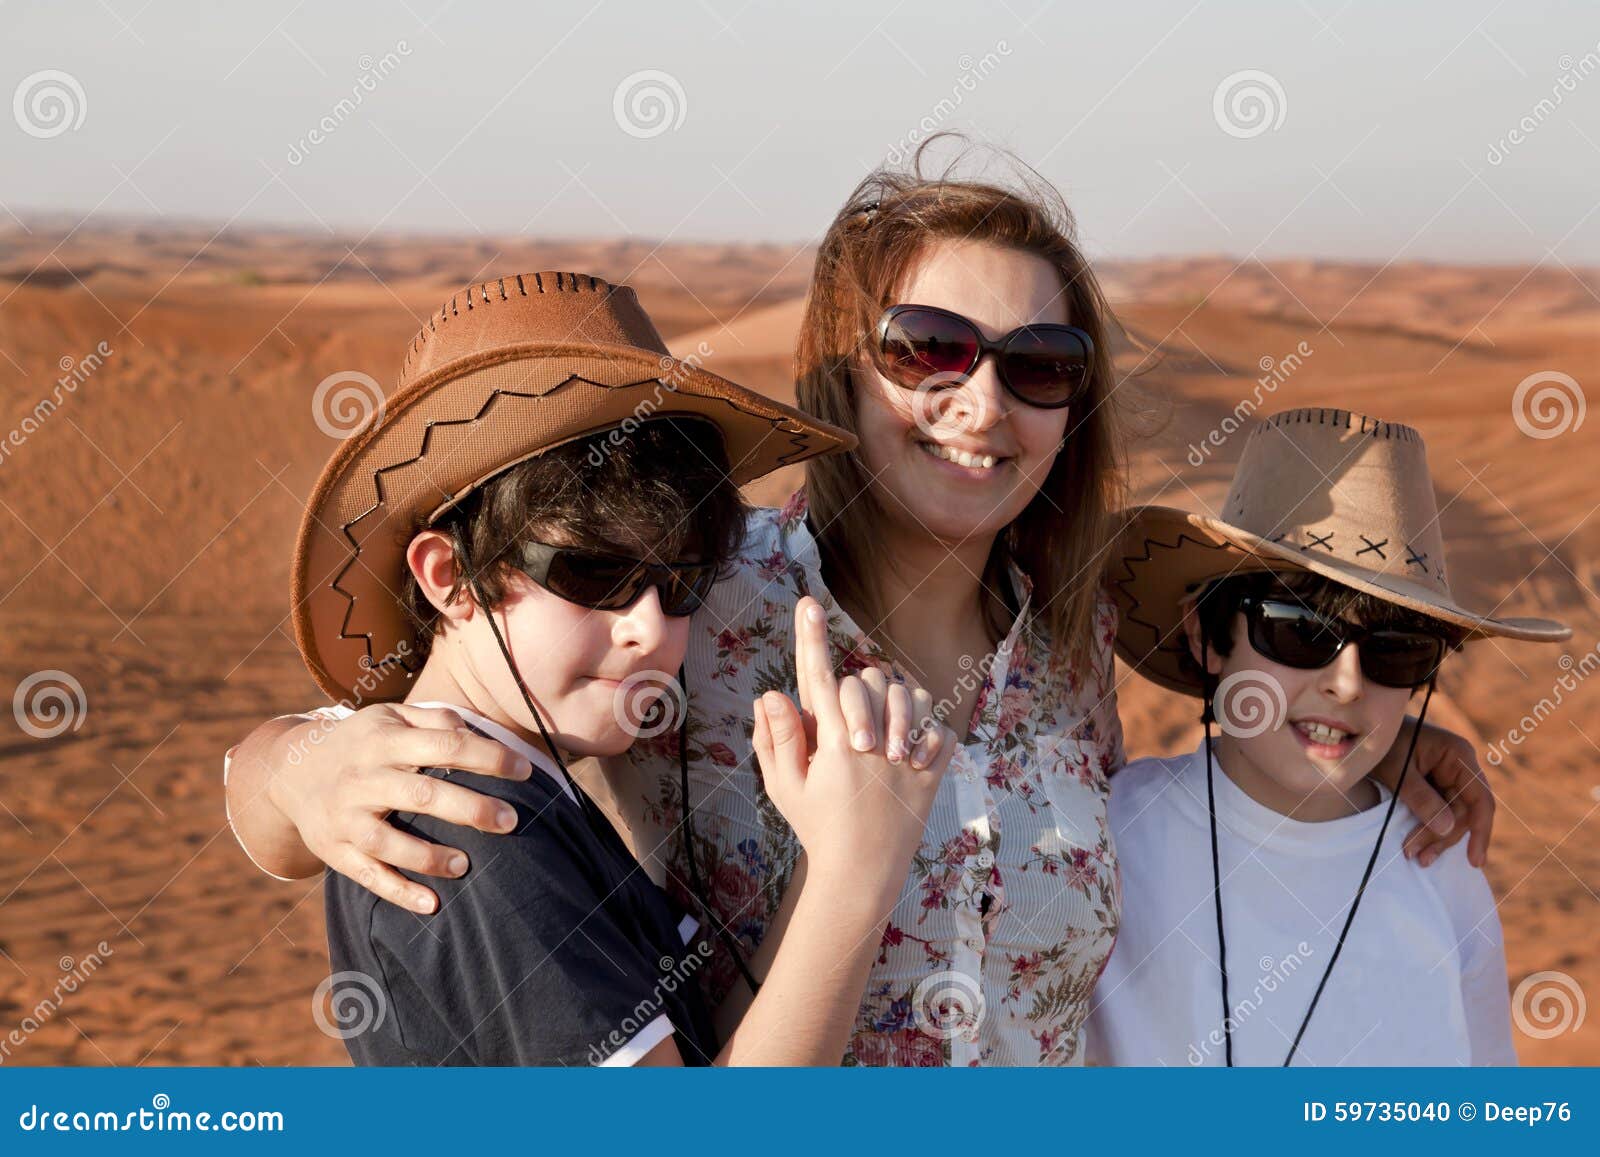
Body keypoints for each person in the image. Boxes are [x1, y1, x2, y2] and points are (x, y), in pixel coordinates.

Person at [225, 147, 1498, 1066]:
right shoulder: (689, 599)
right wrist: (295, 765)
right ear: (843, 368)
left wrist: (1388, 743)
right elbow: (431, 736)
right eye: (927, 347)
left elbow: (1262, 716)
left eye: (1040, 368)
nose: (983, 403)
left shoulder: (1072, 639)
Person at [287, 271, 952, 1065]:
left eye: (683, 582)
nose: (648, 627)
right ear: (451, 577)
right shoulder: (471, 833)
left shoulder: (523, 791)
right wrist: (853, 879)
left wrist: (833, 851)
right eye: (593, 573)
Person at [1086, 407, 1568, 1066]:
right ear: (1206, 632)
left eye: (1396, 650)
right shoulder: (1106, 839)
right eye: (1301, 630)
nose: (1346, 682)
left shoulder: (1442, 863)